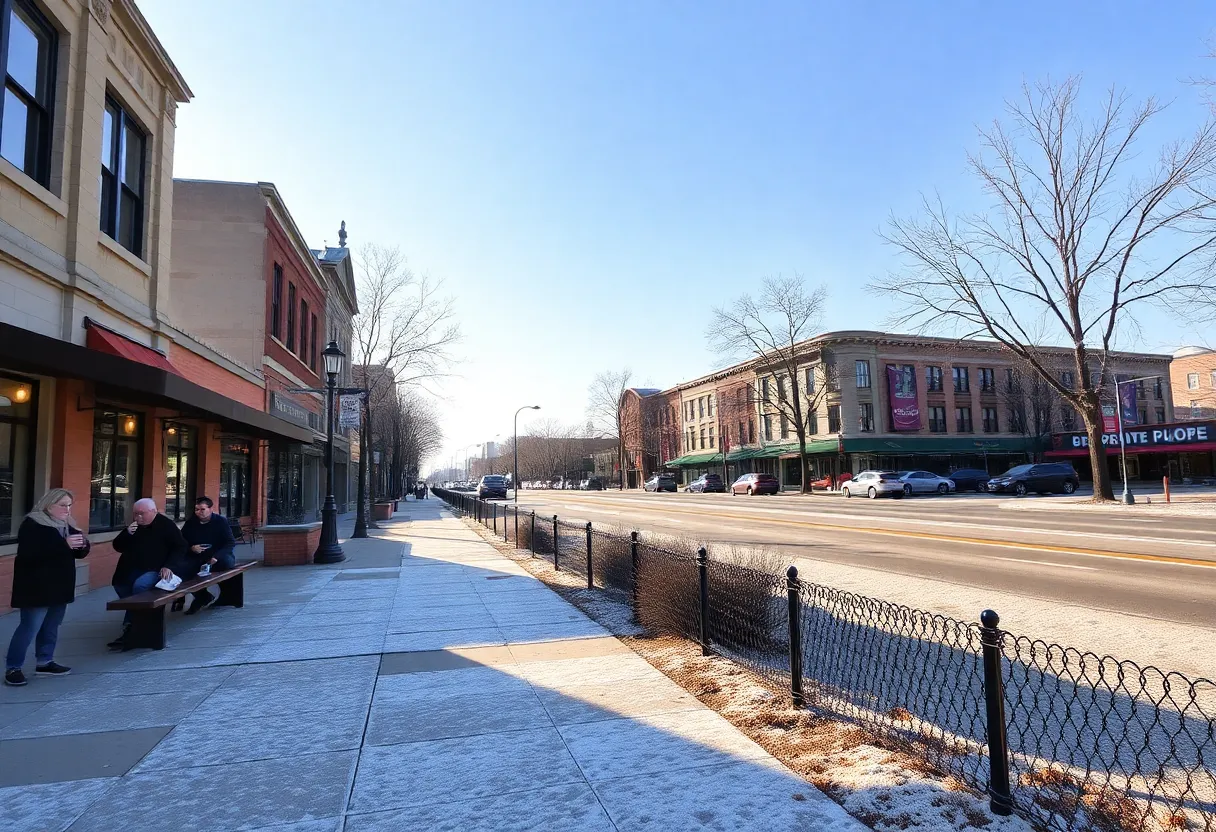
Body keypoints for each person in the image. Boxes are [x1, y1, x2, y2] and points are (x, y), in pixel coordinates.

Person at [4, 489, 90, 686]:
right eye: (63, 505)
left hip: (60, 585)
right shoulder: (33, 523)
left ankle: (45, 661)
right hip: (36, 586)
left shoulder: (68, 524)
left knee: (51, 626)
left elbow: (79, 553)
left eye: (69, 505)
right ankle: (13, 667)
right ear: (48, 505)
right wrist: (63, 544)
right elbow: (29, 554)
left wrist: (82, 545)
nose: (67, 509)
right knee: (29, 627)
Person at [108, 498, 189, 650]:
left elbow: (181, 546)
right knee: (121, 586)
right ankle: (136, 622)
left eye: (142, 514)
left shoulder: (166, 525)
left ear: (153, 512)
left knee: (140, 588)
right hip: (130, 568)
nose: (138, 517)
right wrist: (127, 533)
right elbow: (117, 546)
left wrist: (169, 566)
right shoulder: (134, 528)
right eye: (135, 514)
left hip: (155, 569)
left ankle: (132, 628)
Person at [179, 496, 236, 615]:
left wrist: (216, 557)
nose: (199, 512)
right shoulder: (191, 523)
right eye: (196, 509)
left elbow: (230, 542)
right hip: (198, 557)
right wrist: (191, 548)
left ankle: (227, 596)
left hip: (219, 557)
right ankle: (202, 596)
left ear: (210, 509)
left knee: (225, 562)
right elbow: (181, 542)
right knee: (183, 570)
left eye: (202, 509)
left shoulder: (220, 521)